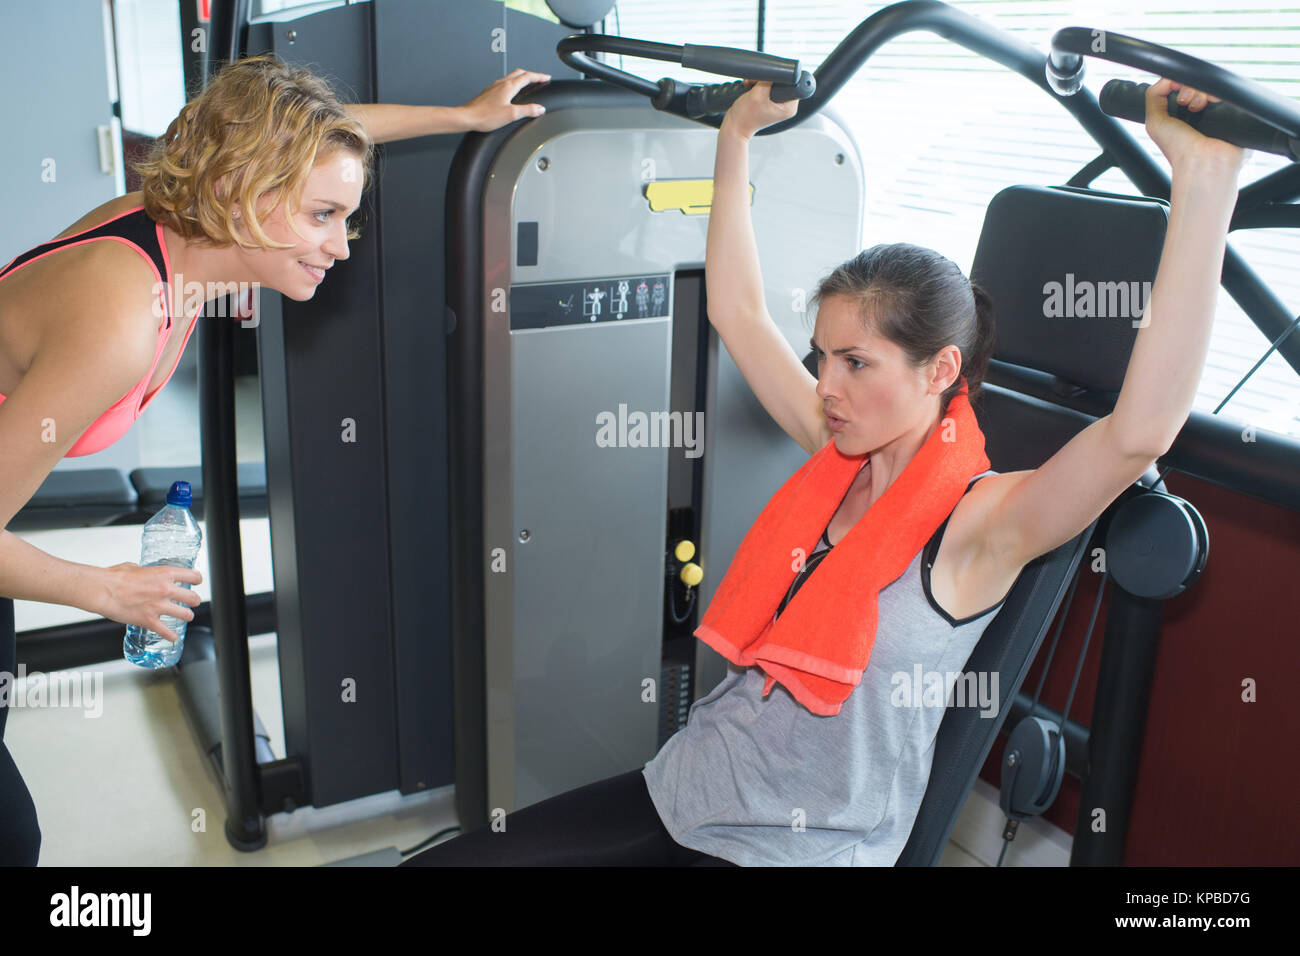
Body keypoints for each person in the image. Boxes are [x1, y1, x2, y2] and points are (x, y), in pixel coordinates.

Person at [401, 77, 1245, 867]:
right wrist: (735, 136)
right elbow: (735, 311)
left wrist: (1203, 189)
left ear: (939, 370)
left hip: (798, 848)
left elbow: (1138, 433)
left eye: (855, 363)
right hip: (694, 783)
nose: (827, 388)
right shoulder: (837, 452)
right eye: (821, 359)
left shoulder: (983, 527)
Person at [0, 53, 553, 866]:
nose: (341, 244)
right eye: (323, 215)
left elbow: (327, 139)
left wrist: (462, 120)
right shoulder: (122, 318)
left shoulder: (176, 225)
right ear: (238, 191)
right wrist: (103, 588)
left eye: (347, 216)